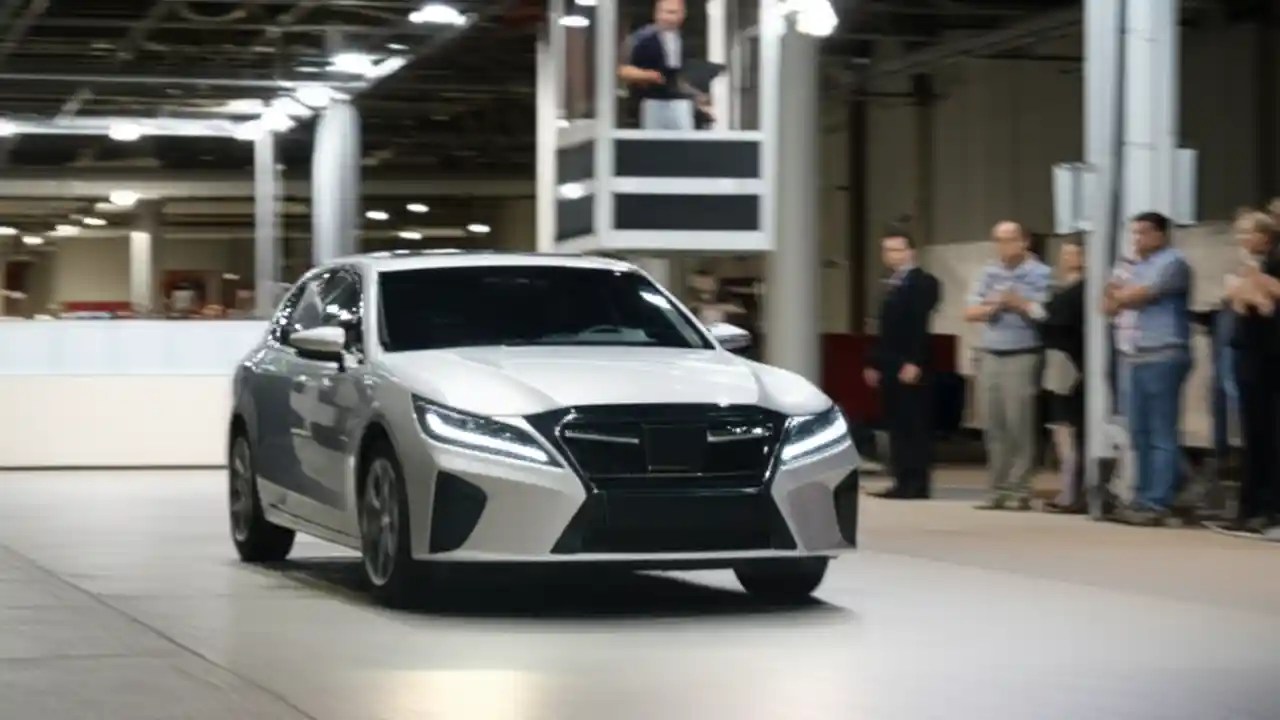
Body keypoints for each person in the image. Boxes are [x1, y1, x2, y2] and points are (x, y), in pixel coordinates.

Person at [1102, 212, 1192, 526]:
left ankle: (1158, 501)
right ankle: (1141, 497)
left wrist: (1121, 292)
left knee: (1161, 432)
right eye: (1134, 234)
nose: (1136, 240)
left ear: (1160, 234)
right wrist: (1119, 293)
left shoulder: (1173, 263)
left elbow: (1139, 295)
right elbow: (1108, 306)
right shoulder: (1136, 266)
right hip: (1135, 356)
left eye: (1142, 233)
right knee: (1138, 432)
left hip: (1164, 354)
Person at [965, 221, 1052, 511]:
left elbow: (1044, 312)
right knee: (994, 424)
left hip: (1023, 352)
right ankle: (997, 488)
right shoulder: (988, 272)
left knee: (1020, 423)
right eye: (998, 240)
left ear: (1025, 241)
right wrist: (994, 307)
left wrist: (1017, 302)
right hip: (990, 352)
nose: (1003, 246)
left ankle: (1020, 488)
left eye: (1009, 239)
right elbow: (971, 311)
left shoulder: (1041, 273)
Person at [864, 232, 941, 500]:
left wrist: (915, 361)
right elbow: (881, 328)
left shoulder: (923, 282)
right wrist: (873, 362)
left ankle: (917, 482)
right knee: (895, 423)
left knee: (914, 424)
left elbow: (920, 326)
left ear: (911, 251)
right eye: (887, 250)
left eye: (898, 250)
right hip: (889, 362)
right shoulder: (888, 284)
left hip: (911, 363)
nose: (892, 255)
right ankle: (900, 478)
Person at [1220, 210, 1280, 537]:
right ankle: (1249, 507)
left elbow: (1268, 304)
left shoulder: (1271, 262)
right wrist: (1250, 288)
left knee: (1269, 433)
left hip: (1271, 355)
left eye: (1248, 232)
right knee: (1251, 434)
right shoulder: (1248, 266)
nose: (1241, 238)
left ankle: (1269, 509)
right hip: (1248, 352)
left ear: (1265, 236)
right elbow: (1241, 301)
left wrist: (1253, 286)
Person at [1034, 238, 1086, 513]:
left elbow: (1056, 322)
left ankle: (1073, 490)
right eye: (1064, 253)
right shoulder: (1059, 288)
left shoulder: (1082, 290)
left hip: (1070, 361)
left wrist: (1034, 311)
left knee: (1070, 427)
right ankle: (1068, 487)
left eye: (1074, 253)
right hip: (1054, 360)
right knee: (1059, 427)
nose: (1068, 257)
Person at [617, 0, 712, 130]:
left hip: (680, 104)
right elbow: (621, 70)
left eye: (675, 13)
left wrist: (698, 95)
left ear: (683, 15)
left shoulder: (684, 41)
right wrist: (646, 76)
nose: (670, 18)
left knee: (684, 144)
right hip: (651, 103)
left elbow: (681, 77)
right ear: (656, 14)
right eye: (667, 12)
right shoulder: (640, 39)